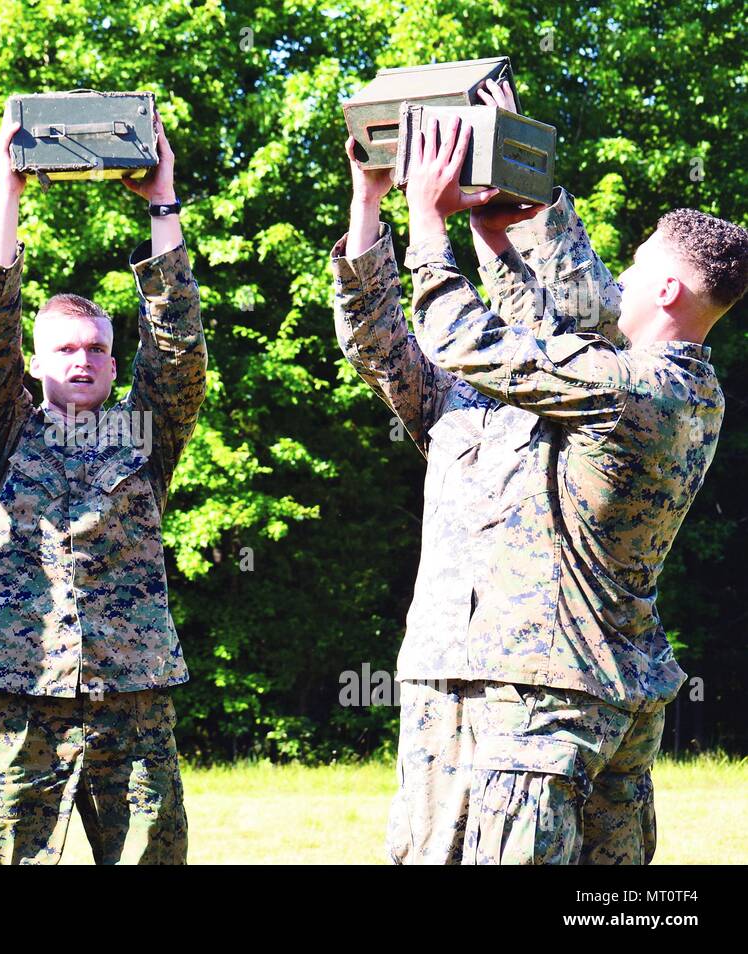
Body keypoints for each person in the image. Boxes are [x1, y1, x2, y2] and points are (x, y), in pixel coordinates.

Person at [352, 103, 746, 864]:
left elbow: (472, 338)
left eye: (633, 268)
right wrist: (496, 226)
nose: (618, 278)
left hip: (538, 705)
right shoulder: (684, 390)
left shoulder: (634, 388)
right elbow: (536, 334)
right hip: (594, 692)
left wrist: (430, 224)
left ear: (666, 292)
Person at [334, 80, 614, 863]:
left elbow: (580, 315)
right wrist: (370, 196)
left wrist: (521, 179)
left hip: (543, 677)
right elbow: (375, 335)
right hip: (442, 671)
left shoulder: (594, 389)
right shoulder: (448, 399)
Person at [0, 107, 207, 864]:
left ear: (116, 366)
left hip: (133, 701)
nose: (83, 359)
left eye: (97, 348)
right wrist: (9, 191)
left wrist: (163, 204)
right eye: (64, 348)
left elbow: (180, 353)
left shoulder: (142, 434)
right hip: (21, 694)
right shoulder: (3, 433)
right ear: (36, 362)